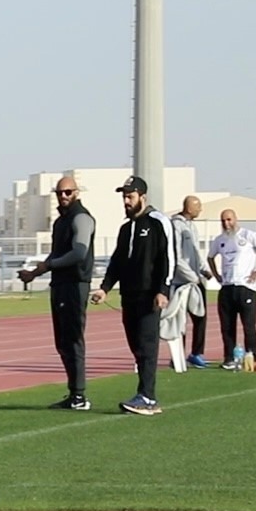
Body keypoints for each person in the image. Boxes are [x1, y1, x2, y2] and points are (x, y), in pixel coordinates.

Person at [89, 175, 173, 414]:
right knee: (136, 346)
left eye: (130, 196)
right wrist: (105, 288)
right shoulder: (126, 229)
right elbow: (117, 261)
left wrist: (163, 290)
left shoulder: (158, 222)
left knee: (147, 346)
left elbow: (168, 257)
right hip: (129, 296)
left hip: (150, 296)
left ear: (142, 197)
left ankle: (147, 397)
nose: (126, 201)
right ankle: (145, 394)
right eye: (124, 197)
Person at [18, 176, 96, 408]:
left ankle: (79, 395)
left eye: (68, 192)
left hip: (74, 284)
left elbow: (79, 253)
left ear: (76, 193)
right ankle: (74, 393)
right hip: (60, 284)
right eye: (60, 193)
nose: (63, 196)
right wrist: (35, 273)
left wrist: (49, 266)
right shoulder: (61, 222)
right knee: (62, 341)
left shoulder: (81, 218)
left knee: (72, 340)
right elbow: (56, 254)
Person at [207, 209, 256, 368]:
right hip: (227, 287)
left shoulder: (248, 235)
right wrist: (216, 275)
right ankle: (229, 358)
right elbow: (210, 257)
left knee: (248, 325)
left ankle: (252, 357)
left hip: (245, 287)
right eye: (223, 220)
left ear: (235, 219)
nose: (226, 223)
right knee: (227, 326)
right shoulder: (219, 240)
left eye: (229, 220)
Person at [170, 196, 211, 367]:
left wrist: (203, 269)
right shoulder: (176, 225)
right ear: (189, 207)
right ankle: (177, 356)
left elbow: (195, 252)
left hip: (195, 280)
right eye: (197, 206)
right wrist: (191, 276)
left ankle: (196, 353)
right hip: (181, 282)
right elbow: (177, 257)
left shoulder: (192, 226)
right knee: (180, 321)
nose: (200, 209)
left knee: (200, 316)